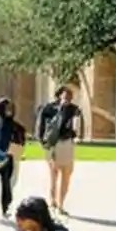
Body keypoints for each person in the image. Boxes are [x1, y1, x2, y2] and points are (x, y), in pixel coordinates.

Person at [36, 86, 82, 215]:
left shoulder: (74, 110)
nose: (67, 98)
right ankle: (53, 201)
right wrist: (42, 141)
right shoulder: (49, 109)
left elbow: (77, 128)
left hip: (66, 143)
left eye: (70, 96)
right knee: (54, 174)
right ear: (59, 95)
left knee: (65, 175)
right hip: (54, 144)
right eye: (66, 95)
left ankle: (60, 203)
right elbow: (41, 126)